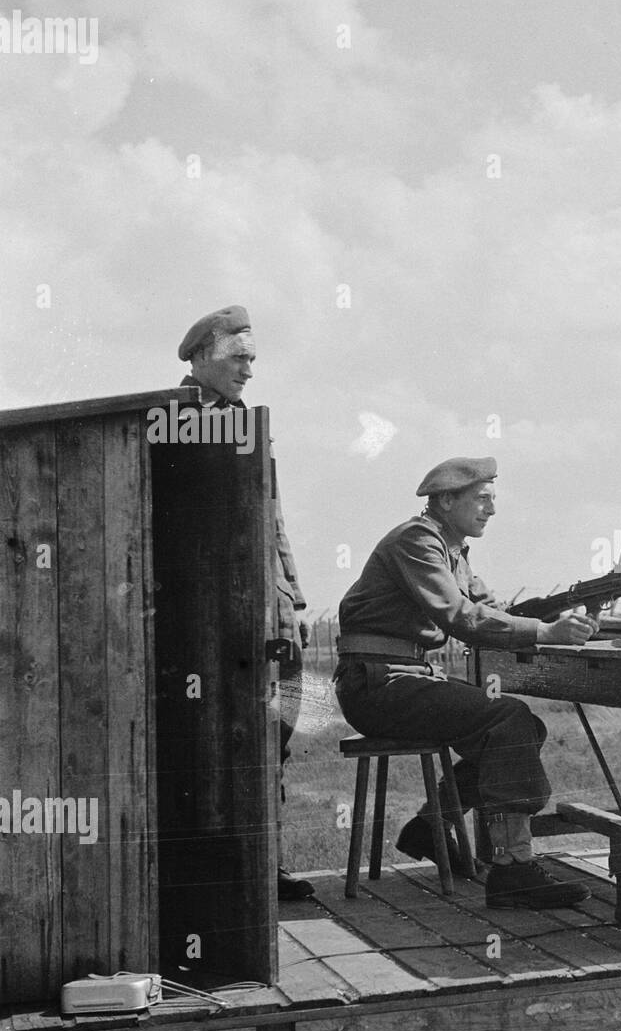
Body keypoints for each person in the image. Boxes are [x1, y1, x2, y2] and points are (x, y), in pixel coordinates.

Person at [332, 457, 596, 910]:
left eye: (493, 499)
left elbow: (493, 606)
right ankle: (513, 870)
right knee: (508, 719)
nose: (491, 510)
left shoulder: (452, 550)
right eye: (482, 498)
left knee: (526, 729)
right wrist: (542, 633)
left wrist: (561, 613)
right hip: (377, 685)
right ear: (447, 500)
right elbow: (460, 616)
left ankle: (430, 825)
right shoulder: (416, 540)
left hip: (402, 678)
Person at [176, 305, 314, 900]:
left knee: (272, 739)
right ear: (203, 354)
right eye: (239, 359)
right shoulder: (175, 418)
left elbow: (271, 518)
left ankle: (264, 865)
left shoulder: (248, 420)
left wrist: (293, 595)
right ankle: (217, 877)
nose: (249, 370)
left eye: (253, 359)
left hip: (271, 607)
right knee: (213, 743)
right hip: (215, 615)